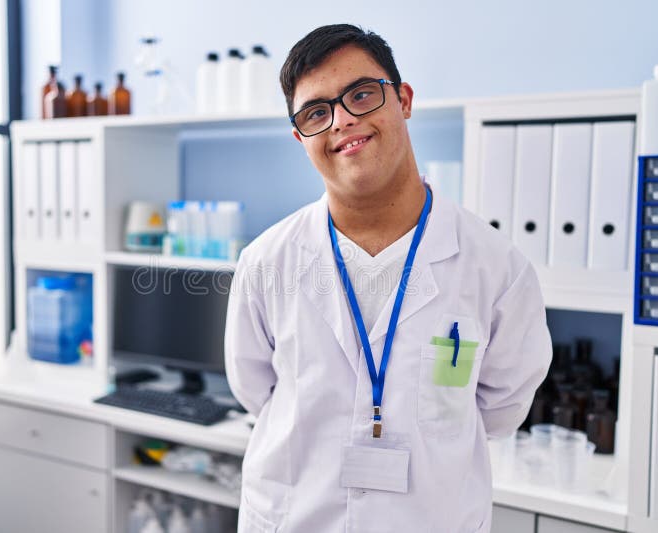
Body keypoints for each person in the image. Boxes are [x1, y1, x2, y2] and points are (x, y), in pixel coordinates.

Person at [225, 24, 552, 533]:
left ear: (402, 99)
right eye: (317, 111)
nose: (342, 121)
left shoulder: (496, 267)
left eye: (361, 94)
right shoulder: (265, 262)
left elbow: (501, 409)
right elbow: (254, 390)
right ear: (300, 136)